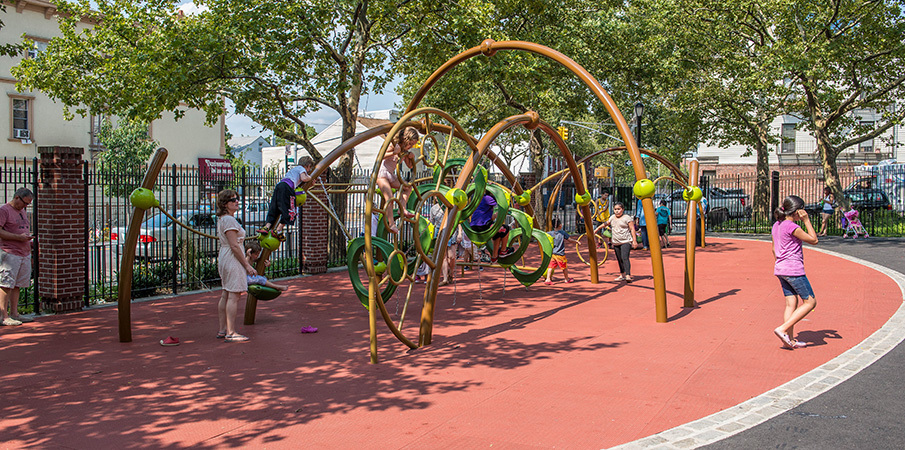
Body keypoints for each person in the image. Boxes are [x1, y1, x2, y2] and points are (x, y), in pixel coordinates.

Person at [771, 195, 819, 350]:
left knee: (791, 304)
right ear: (797, 211)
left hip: (780, 268)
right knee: (810, 301)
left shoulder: (777, 225)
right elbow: (814, 239)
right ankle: (783, 329)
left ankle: (789, 340)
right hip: (793, 269)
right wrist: (806, 221)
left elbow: (774, 249)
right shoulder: (792, 227)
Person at [216, 189, 257, 343]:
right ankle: (231, 332)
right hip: (232, 258)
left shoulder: (224, 219)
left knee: (226, 293)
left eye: (237, 199)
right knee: (234, 295)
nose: (237, 201)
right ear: (225, 204)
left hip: (225, 256)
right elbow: (234, 245)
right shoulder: (229, 221)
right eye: (233, 200)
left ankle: (223, 329)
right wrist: (247, 265)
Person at [0, 188, 35, 326]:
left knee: (17, 285)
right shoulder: (4, 210)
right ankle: (4, 315)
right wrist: (18, 238)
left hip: (23, 252)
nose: (26, 206)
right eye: (25, 203)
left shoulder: (22, 211)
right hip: (9, 252)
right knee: (6, 284)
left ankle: (15, 313)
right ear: (17, 198)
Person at [259, 156, 315, 240]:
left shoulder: (293, 170)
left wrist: (310, 184)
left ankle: (266, 227)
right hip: (287, 188)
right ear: (307, 165)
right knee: (290, 210)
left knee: (274, 208)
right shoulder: (301, 169)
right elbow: (304, 178)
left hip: (280, 186)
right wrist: (310, 177)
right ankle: (278, 230)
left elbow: (299, 185)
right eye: (309, 168)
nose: (308, 171)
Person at [377, 127, 419, 233]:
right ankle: (391, 224)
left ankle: (402, 209)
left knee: (408, 187)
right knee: (390, 198)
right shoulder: (393, 145)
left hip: (390, 175)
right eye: (410, 143)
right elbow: (380, 156)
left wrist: (411, 157)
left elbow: (410, 166)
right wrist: (394, 152)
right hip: (381, 174)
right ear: (405, 139)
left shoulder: (403, 150)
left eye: (413, 144)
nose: (411, 146)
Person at [595, 202, 638, 282]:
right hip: (616, 242)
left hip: (626, 241)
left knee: (624, 257)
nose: (617, 211)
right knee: (619, 259)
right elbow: (605, 224)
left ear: (622, 209)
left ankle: (628, 275)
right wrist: (597, 229)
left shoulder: (627, 218)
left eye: (619, 209)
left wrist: (634, 241)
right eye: (615, 209)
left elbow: (632, 229)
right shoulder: (612, 218)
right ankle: (622, 274)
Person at [469, 192, 511, 262]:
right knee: (505, 228)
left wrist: (497, 214)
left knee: (497, 233)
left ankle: (494, 256)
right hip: (482, 225)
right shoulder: (488, 198)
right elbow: (502, 201)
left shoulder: (480, 200)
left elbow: (491, 217)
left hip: (475, 226)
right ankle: (503, 251)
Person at [545, 218, 577, 285]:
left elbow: (544, 236)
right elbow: (570, 240)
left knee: (550, 267)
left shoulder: (550, 233)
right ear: (560, 225)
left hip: (553, 253)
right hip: (560, 254)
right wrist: (576, 242)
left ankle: (548, 279)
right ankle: (566, 279)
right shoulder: (562, 233)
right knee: (564, 267)